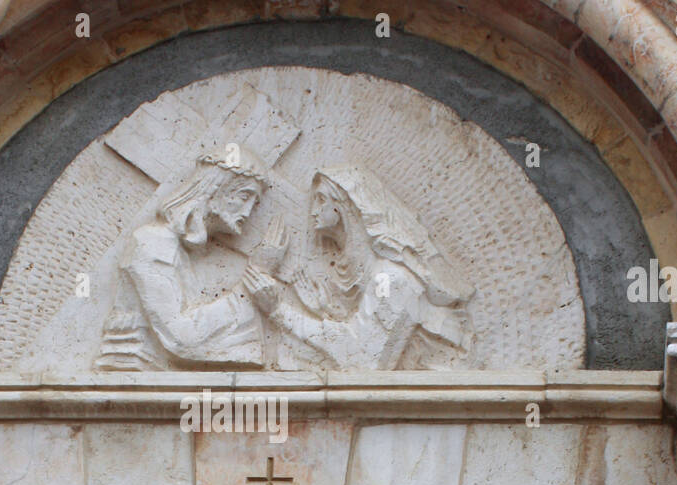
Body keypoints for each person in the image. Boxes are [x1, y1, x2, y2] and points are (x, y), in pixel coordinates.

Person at [242, 165, 475, 370]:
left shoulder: (391, 279)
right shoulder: (371, 277)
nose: (313, 210)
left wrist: (279, 311)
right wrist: (323, 309)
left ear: (347, 207)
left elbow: (362, 359)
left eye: (322, 200)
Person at [96, 148, 269, 370]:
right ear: (214, 190)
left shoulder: (182, 250)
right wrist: (248, 289)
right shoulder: (153, 243)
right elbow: (181, 336)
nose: (247, 212)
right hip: (133, 377)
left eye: (254, 204)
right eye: (244, 197)